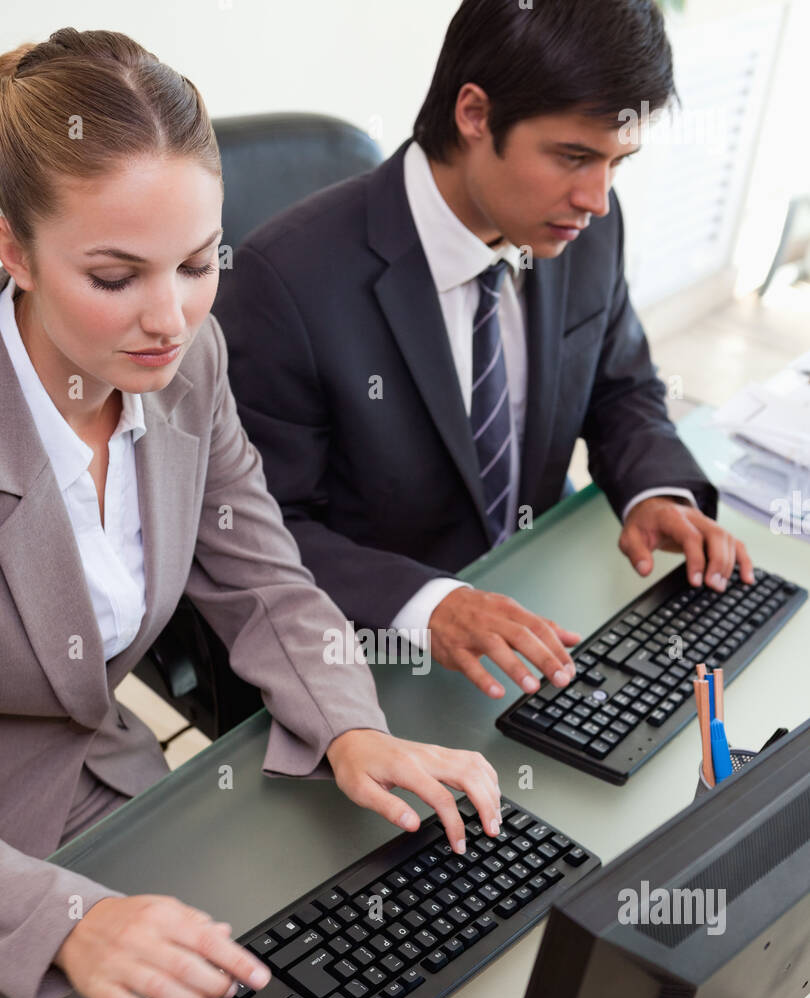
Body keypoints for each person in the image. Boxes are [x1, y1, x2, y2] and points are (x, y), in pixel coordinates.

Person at [0, 27, 502, 998]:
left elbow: (262, 578)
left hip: (114, 779)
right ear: (13, 253)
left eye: (198, 263)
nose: (169, 315)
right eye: (115, 278)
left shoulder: (188, 364)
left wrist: (352, 726)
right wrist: (62, 917)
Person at [221, 0, 755, 705]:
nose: (596, 197)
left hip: (536, 611)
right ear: (475, 115)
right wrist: (430, 604)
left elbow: (620, 386)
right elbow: (259, 532)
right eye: (573, 157)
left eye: (617, 163)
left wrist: (654, 489)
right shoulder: (284, 282)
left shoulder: (584, 227)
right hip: (377, 658)